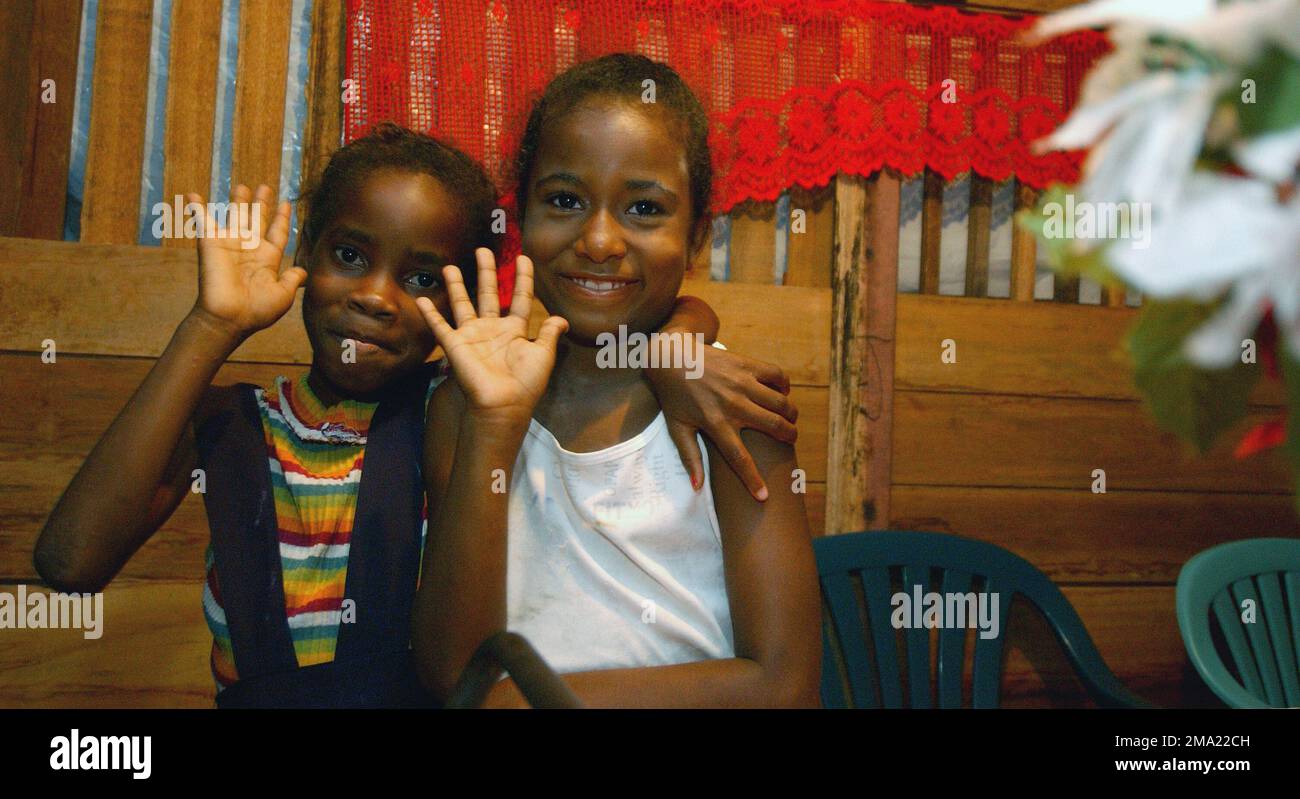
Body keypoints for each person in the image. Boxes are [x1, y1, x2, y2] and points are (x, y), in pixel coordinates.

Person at [33, 123, 793, 707]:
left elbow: (625, 328)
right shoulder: (232, 424)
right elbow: (69, 564)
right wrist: (211, 327)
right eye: (351, 255)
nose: (375, 295)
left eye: (423, 276)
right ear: (307, 252)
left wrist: (678, 339)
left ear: (464, 300)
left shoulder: (457, 406)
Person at [412, 55, 821, 708]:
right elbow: (450, 669)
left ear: (695, 237)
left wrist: (540, 700)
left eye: (643, 208)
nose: (599, 239)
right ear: (523, 217)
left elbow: (785, 684)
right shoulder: (468, 400)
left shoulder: (724, 400)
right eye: (565, 200)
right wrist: (492, 430)